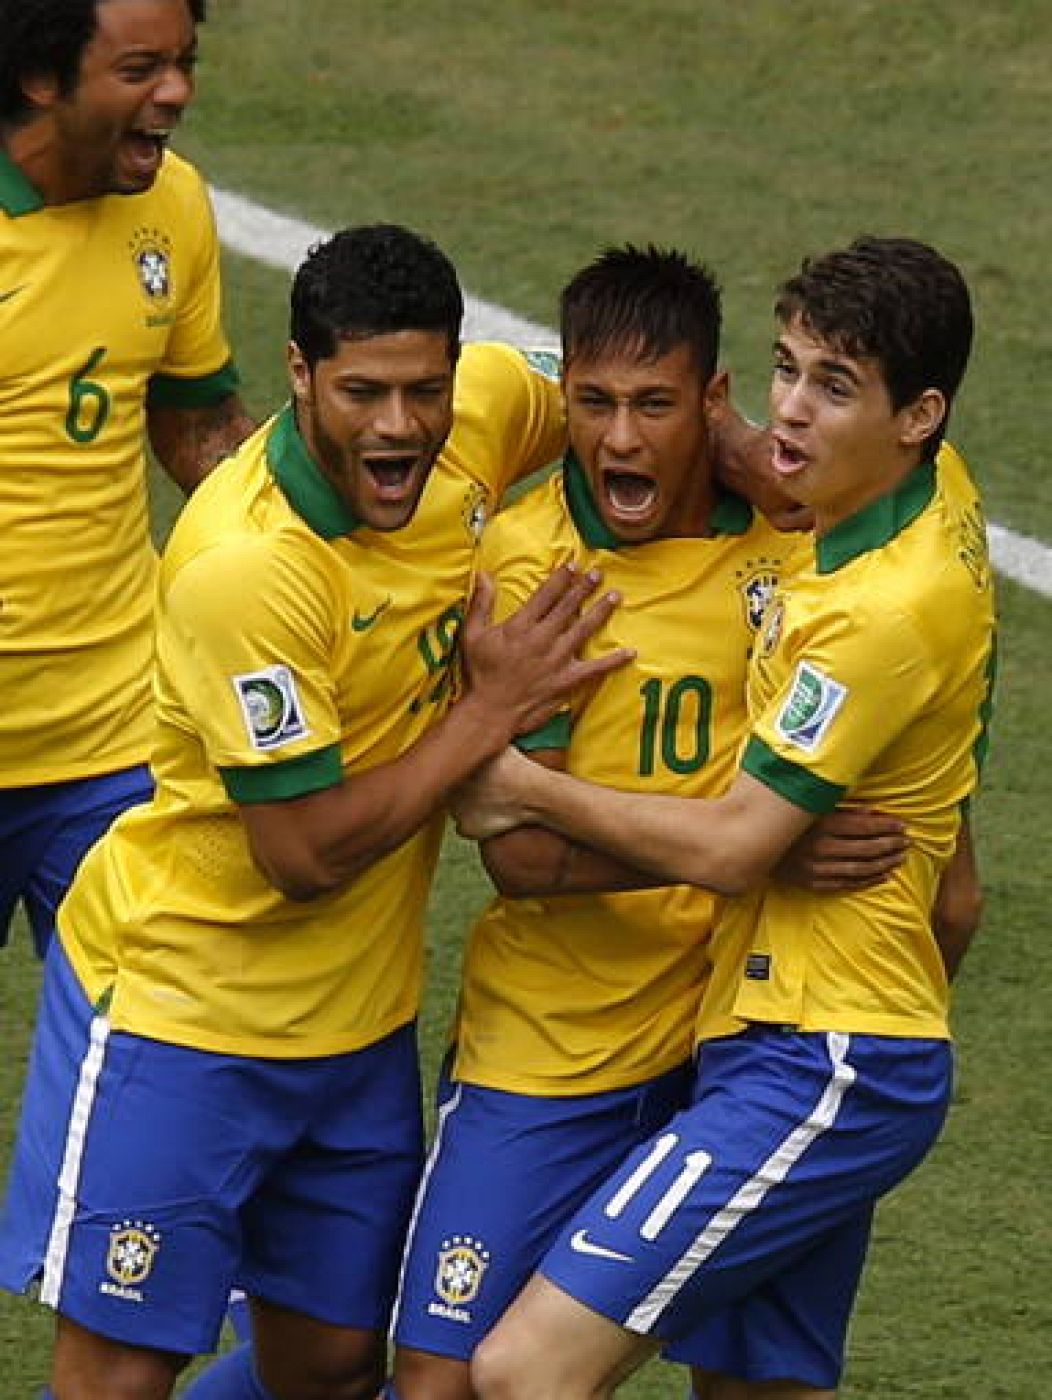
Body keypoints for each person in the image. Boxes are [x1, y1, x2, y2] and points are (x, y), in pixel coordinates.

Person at [0, 223, 632, 1400]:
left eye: (422, 391)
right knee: (119, 1377)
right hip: (184, 1018)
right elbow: (301, 850)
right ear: (297, 375)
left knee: (333, 1367)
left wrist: (768, 463)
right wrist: (484, 712)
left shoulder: (481, 414)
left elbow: (612, 406)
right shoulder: (248, 566)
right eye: (362, 393)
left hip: (354, 1028)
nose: (398, 426)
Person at [453, 235, 997, 1399]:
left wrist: (524, 785)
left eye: (832, 389)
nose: (789, 413)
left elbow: (734, 845)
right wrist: (753, 452)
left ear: (918, 414)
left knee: (518, 1369)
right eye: (786, 370)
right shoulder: (936, 495)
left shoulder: (874, 614)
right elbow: (946, 889)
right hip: (812, 1034)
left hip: (818, 1056)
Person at [0, 0, 254, 960]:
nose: (177, 94)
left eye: (185, 63)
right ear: (41, 78)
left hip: (117, 745)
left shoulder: (172, 203)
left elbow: (196, 428)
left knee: (143, 1055)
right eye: (142, 69)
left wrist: (344, 539)